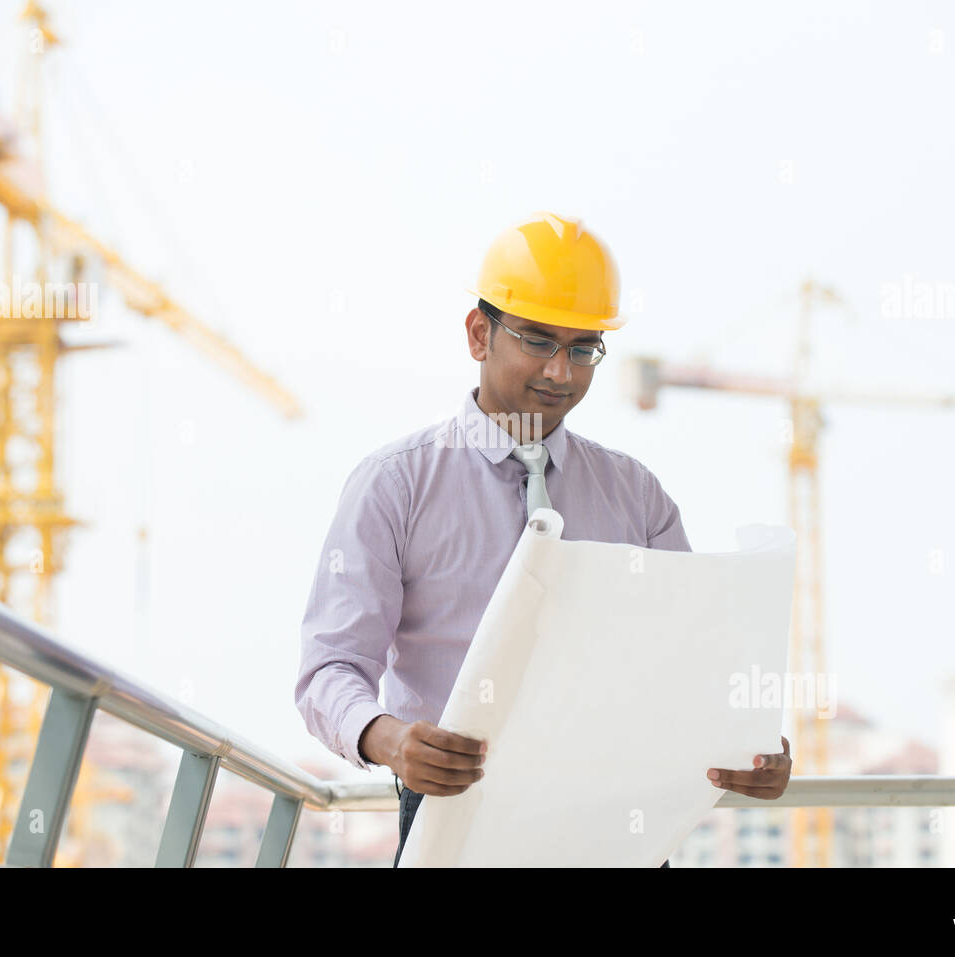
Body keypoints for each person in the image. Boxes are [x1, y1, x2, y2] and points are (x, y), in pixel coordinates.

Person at [295, 211, 792, 868]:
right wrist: (387, 739)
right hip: (458, 814)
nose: (560, 371)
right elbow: (330, 667)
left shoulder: (636, 495)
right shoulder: (396, 484)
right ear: (480, 333)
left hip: (620, 826)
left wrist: (749, 744)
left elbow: (687, 669)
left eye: (583, 348)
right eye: (537, 340)